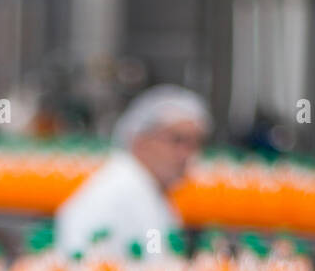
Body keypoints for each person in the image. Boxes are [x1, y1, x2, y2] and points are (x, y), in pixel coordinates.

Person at [54, 84, 212, 259]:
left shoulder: (149, 192)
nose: (187, 154)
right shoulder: (115, 190)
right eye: (177, 140)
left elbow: (155, 255)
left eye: (195, 143)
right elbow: (79, 263)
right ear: (139, 140)